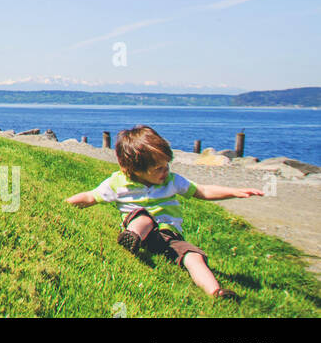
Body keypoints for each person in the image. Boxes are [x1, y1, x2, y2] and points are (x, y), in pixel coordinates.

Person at [65, 125, 263, 301]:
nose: (165, 171)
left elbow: (202, 191)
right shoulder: (118, 183)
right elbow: (90, 197)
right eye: (158, 168)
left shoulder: (172, 181)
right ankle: (131, 239)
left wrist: (234, 192)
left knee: (194, 256)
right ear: (132, 169)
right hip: (138, 227)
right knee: (143, 218)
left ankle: (216, 291)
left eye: (166, 165)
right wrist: (66, 204)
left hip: (168, 236)